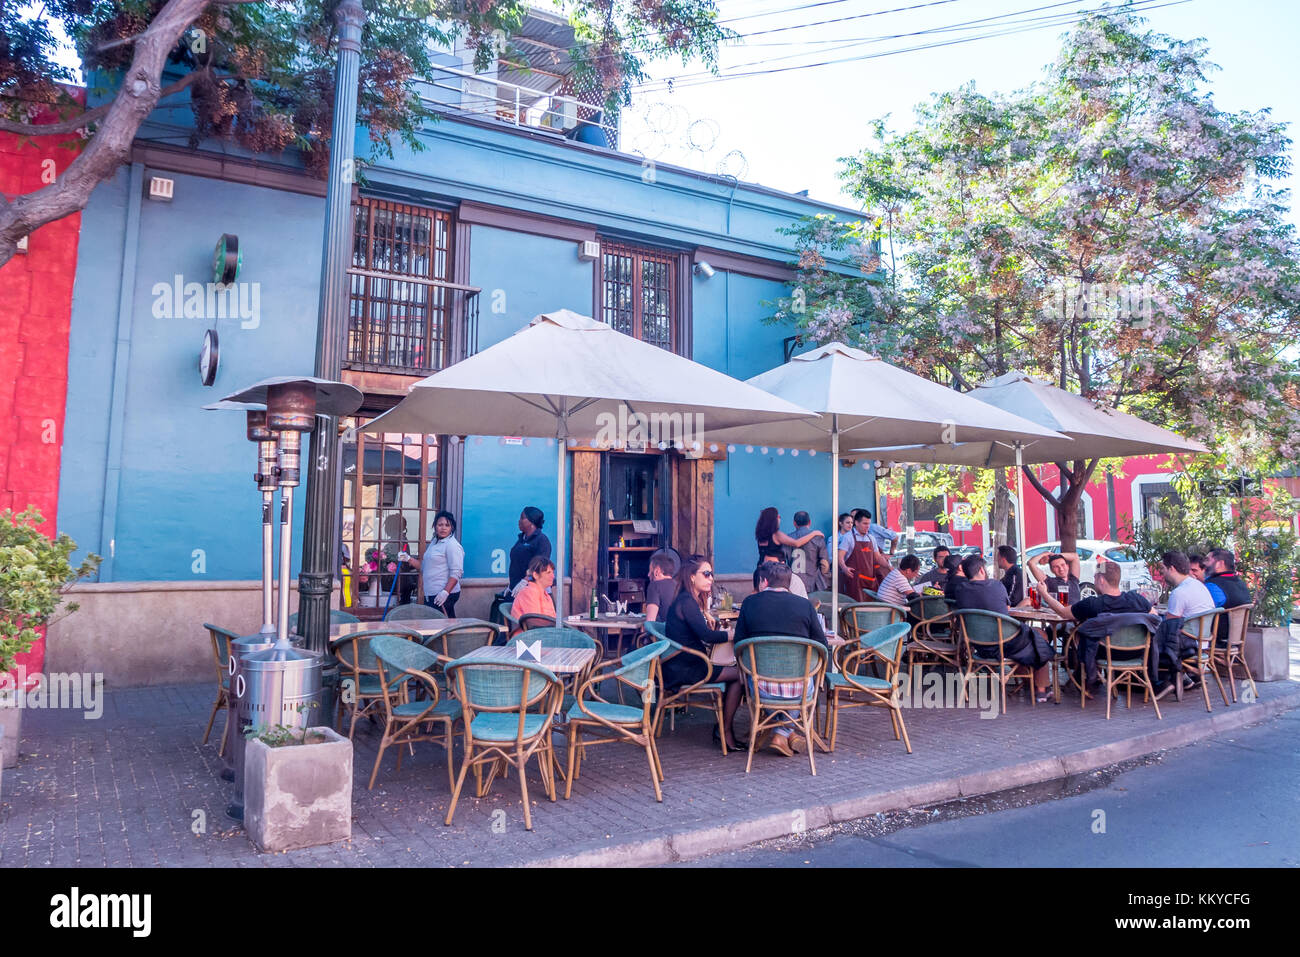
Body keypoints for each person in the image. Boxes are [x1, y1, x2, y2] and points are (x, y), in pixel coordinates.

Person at [732, 562, 836, 756]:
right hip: (799, 689)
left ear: (763, 581)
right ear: (789, 584)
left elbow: (739, 642)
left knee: (756, 677)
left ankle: (781, 732)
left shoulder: (749, 603)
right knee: (806, 681)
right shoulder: (804, 605)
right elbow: (821, 645)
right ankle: (787, 733)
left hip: (760, 686)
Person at [1036, 559, 1157, 692]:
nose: (1094, 581)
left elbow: (1063, 613)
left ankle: (1088, 677)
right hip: (1138, 653)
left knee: (1081, 636)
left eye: (1094, 577)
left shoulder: (1093, 604)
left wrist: (1044, 594)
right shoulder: (1137, 599)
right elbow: (1154, 618)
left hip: (1106, 654)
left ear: (1101, 580)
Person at [663, 558, 743, 751]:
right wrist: (732, 634)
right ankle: (725, 731)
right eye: (705, 574)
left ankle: (723, 727)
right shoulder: (687, 602)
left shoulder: (688, 599)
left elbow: (702, 634)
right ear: (692, 577)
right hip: (687, 667)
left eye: (711, 574)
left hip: (684, 663)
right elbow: (706, 635)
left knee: (736, 671)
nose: (711, 578)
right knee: (741, 676)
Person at [954, 554, 1054, 702]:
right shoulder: (996, 585)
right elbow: (1006, 609)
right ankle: (1041, 690)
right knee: (1040, 637)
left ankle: (1030, 683)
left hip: (979, 645)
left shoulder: (960, 589)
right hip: (1005, 642)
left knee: (1028, 641)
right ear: (982, 570)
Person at [408, 510, 464, 617]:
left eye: (447, 525)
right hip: (431, 593)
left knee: (444, 627)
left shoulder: (452, 545)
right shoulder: (434, 542)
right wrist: (408, 559)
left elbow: (457, 572)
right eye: (440, 525)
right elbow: (425, 567)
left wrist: (445, 592)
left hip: (443, 594)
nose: (443, 528)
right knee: (435, 627)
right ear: (434, 526)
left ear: (452, 527)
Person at [837, 509, 893, 601]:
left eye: (868, 524)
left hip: (870, 581)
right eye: (864, 524)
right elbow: (840, 556)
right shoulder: (848, 537)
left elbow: (878, 557)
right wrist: (844, 568)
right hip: (854, 581)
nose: (867, 526)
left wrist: (889, 567)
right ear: (856, 523)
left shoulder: (871, 538)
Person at [1203, 548, 1252, 643]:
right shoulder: (1241, 584)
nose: (1204, 564)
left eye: (1208, 560)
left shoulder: (1212, 585)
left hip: (1214, 640)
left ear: (1219, 564)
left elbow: (1201, 610)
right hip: (1235, 640)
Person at [1160, 550, 1215, 620]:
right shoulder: (1199, 585)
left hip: (1187, 630)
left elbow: (1169, 625)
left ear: (1171, 569)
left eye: (1163, 568)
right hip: (1203, 630)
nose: (1161, 572)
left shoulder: (1179, 592)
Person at [507, 506, 551, 593]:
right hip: (518, 588)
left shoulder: (541, 540)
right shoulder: (521, 540)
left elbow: (540, 567)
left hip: (534, 591)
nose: (519, 521)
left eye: (522, 518)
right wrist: (511, 585)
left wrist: (526, 581)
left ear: (532, 522)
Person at [788, 510, 831, 593]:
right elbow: (824, 564)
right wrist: (826, 579)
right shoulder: (817, 538)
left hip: (793, 581)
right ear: (809, 522)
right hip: (811, 581)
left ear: (794, 523)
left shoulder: (788, 538)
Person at [509, 556, 556, 625]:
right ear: (535, 575)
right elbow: (534, 622)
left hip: (546, 632)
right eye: (548, 573)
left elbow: (554, 618)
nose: (553, 576)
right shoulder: (528, 592)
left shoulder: (546, 595)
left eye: (553, 572)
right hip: (530, 634)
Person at [643, 553, 678, 623]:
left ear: (656, 571)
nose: (648, 574)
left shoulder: (654, 585)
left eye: (650, 571)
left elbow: (650, 622)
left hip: (666, 633)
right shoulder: (679, 585)